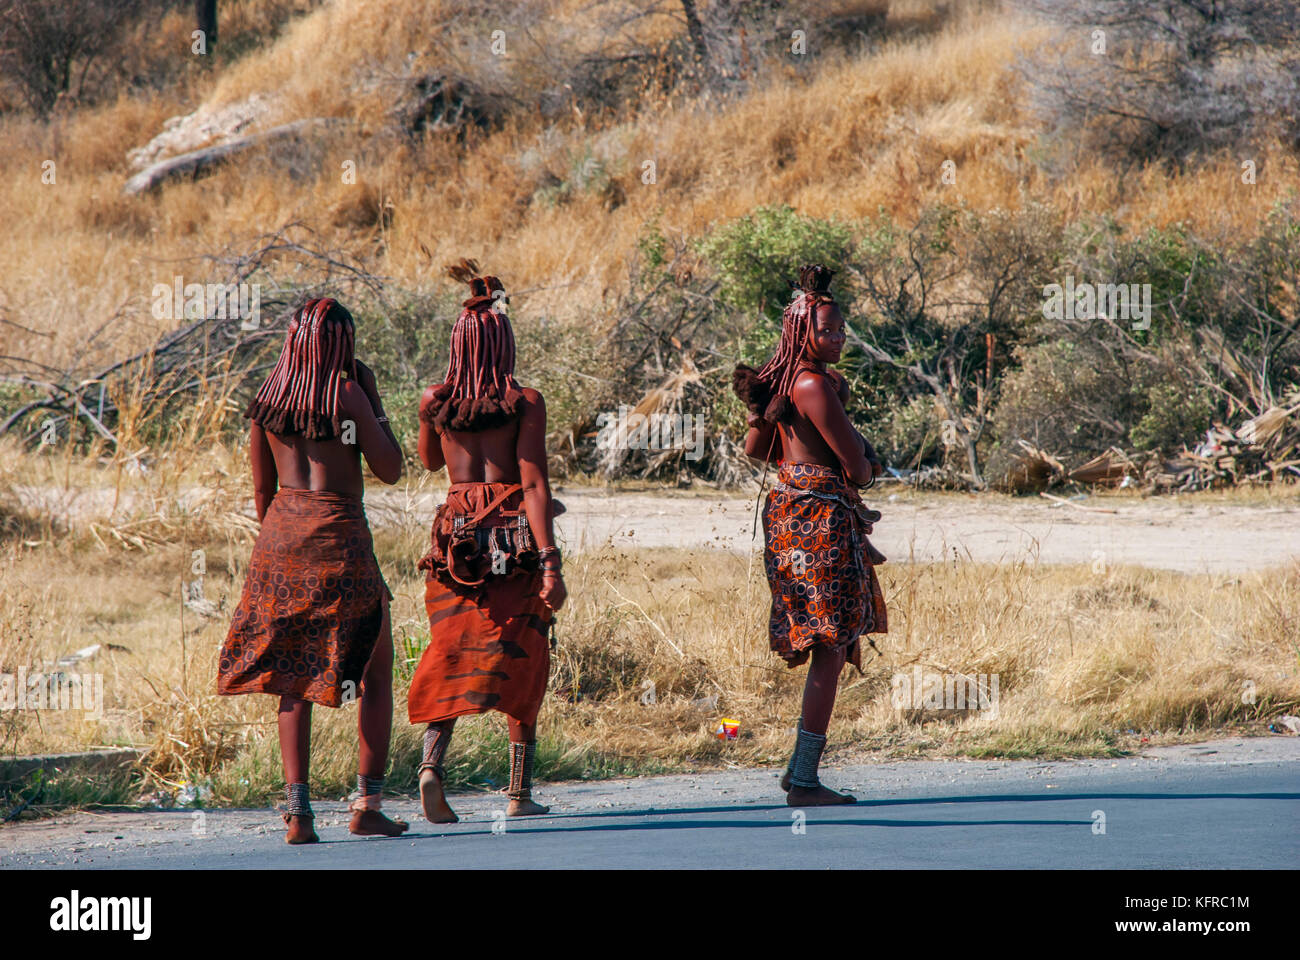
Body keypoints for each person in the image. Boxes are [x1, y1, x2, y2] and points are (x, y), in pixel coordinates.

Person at [217, 297, 409, 843]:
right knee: (373, 671)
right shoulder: (348, 394)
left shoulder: (267, 400)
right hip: (340, 539)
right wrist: (373, 399)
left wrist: (281, 544)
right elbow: (391, 468)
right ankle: (366, 804)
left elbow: (261, 490)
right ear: (340, 346)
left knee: (292, 677)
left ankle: (298, 814)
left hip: (280, 540)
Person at [407, 260, 567, 823]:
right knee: (524, 650)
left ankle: (431, 765)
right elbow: (534, 483)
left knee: (452, 649)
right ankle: (519, 793)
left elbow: (429, 461)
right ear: (503, 343)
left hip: (456, 538)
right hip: (512, 538)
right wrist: (550, 563)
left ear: (457, 344)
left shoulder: (435, 400)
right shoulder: (525, 401)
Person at [733, 264, 888, 806]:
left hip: (787, 514)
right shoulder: (813, 384)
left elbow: (754, 450)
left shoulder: (781, 379)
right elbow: (857, 466)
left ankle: (801, 773)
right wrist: (861, 464)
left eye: (843, 329)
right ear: (805, 332)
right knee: (831, 643)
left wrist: (796, 458)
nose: (838, 337)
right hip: (820, 522)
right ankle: (802, 780)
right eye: (828, 330)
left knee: (827, 639)